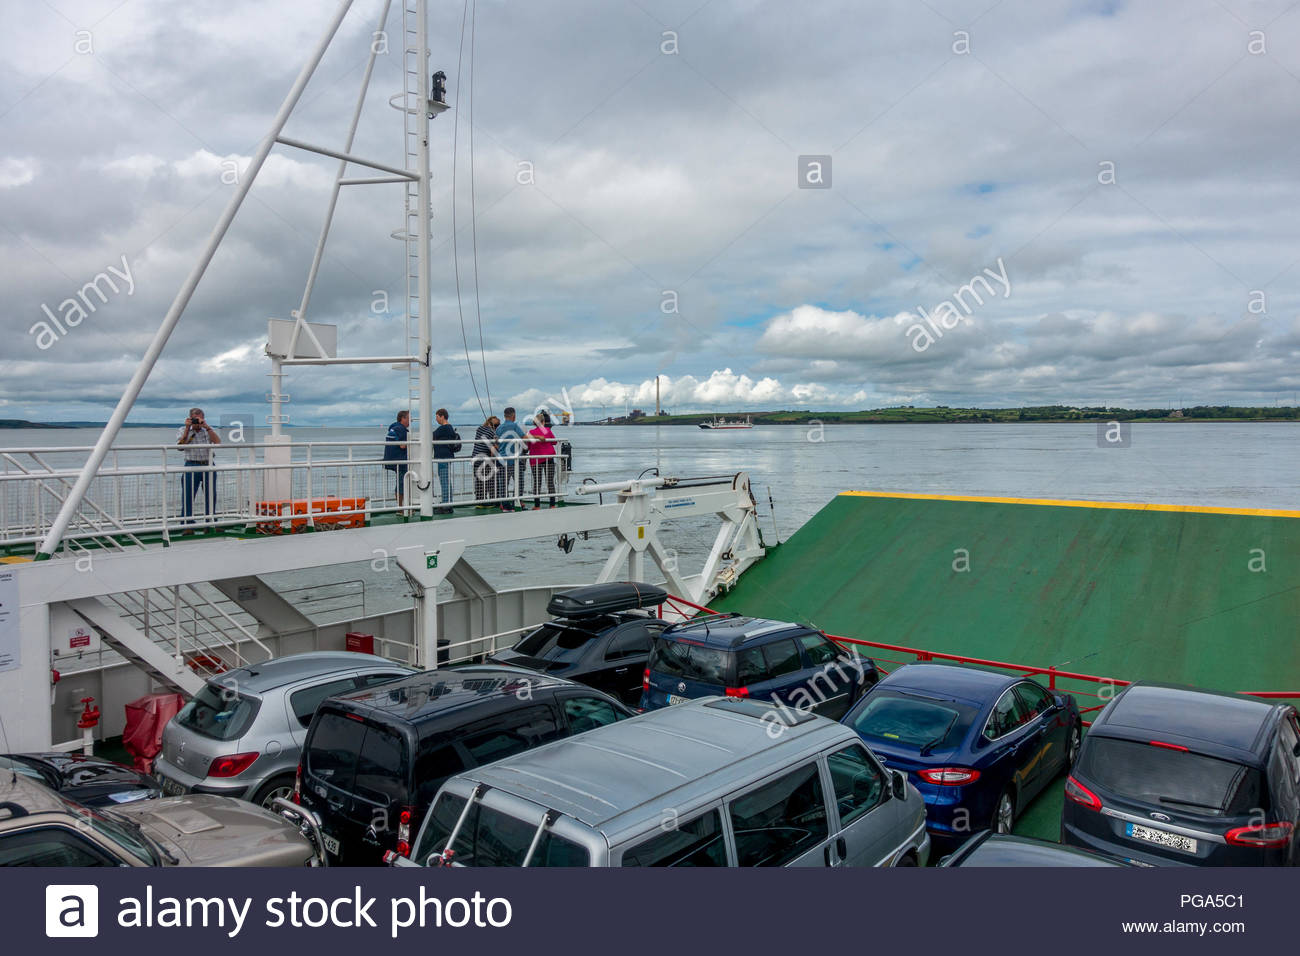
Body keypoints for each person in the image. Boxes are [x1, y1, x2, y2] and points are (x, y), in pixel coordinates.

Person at [176, 407, 220, 533]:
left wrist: (207, 427)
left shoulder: (208, 430)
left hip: (208, 464)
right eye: (194, 419)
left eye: (199, 418)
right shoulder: (183, 430)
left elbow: (217, 442)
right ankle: (187, 525)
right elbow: (180, 447)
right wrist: (187, 429)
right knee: (188, 496)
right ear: (189, 418)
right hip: (191, 465)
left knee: (211, 495)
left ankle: (210, 523)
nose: (197, 422)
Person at [494, 407, 526, 512]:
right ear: (514, 415)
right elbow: (524, 437)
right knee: (519, 482)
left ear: (504, 416)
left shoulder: (499, 428)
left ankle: (505, 505)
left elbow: (496, 442)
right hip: (514, 461)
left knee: (503, 484)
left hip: (502, 460)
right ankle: (516, 502)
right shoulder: (515, 426)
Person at [527, 410, 558, 509]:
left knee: (537, 482)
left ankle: (537, 505)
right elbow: (554, 442)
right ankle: (552, 504)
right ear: (544, 422)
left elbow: (527, 445)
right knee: (550, 482)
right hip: (549, 458)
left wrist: (536, 438)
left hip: (535, 460)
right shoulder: (547, 431)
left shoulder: (531, 432)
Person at [432, 408, 461, 514]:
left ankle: (446, 505)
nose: (436, 419)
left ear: (442, 416)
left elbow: (431, 435)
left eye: (437, 417)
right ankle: (448, 503)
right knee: (446, 480)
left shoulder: (444, 428)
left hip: (443, 457)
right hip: (446, 456)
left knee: (444, 481)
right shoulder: (449, 428)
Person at [471, 415, 503, 509]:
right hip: (484, 459)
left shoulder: (479, 429)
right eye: (497, 426)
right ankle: (491, 500)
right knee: (490, 480)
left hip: (475, 458)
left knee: (479, 481)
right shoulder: (491, 432)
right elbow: (495, 447)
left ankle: (480, 500)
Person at [382, 410, 410, 508]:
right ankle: (401, 507)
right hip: (400, 460)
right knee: (402, 484)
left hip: (391, 460)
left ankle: (401, 506)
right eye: (408, 418)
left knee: (401, 483)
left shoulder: (393, 428)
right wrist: (413, 443)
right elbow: (402, 445)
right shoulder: (401, 429)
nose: (410, 421)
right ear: (403, 418)